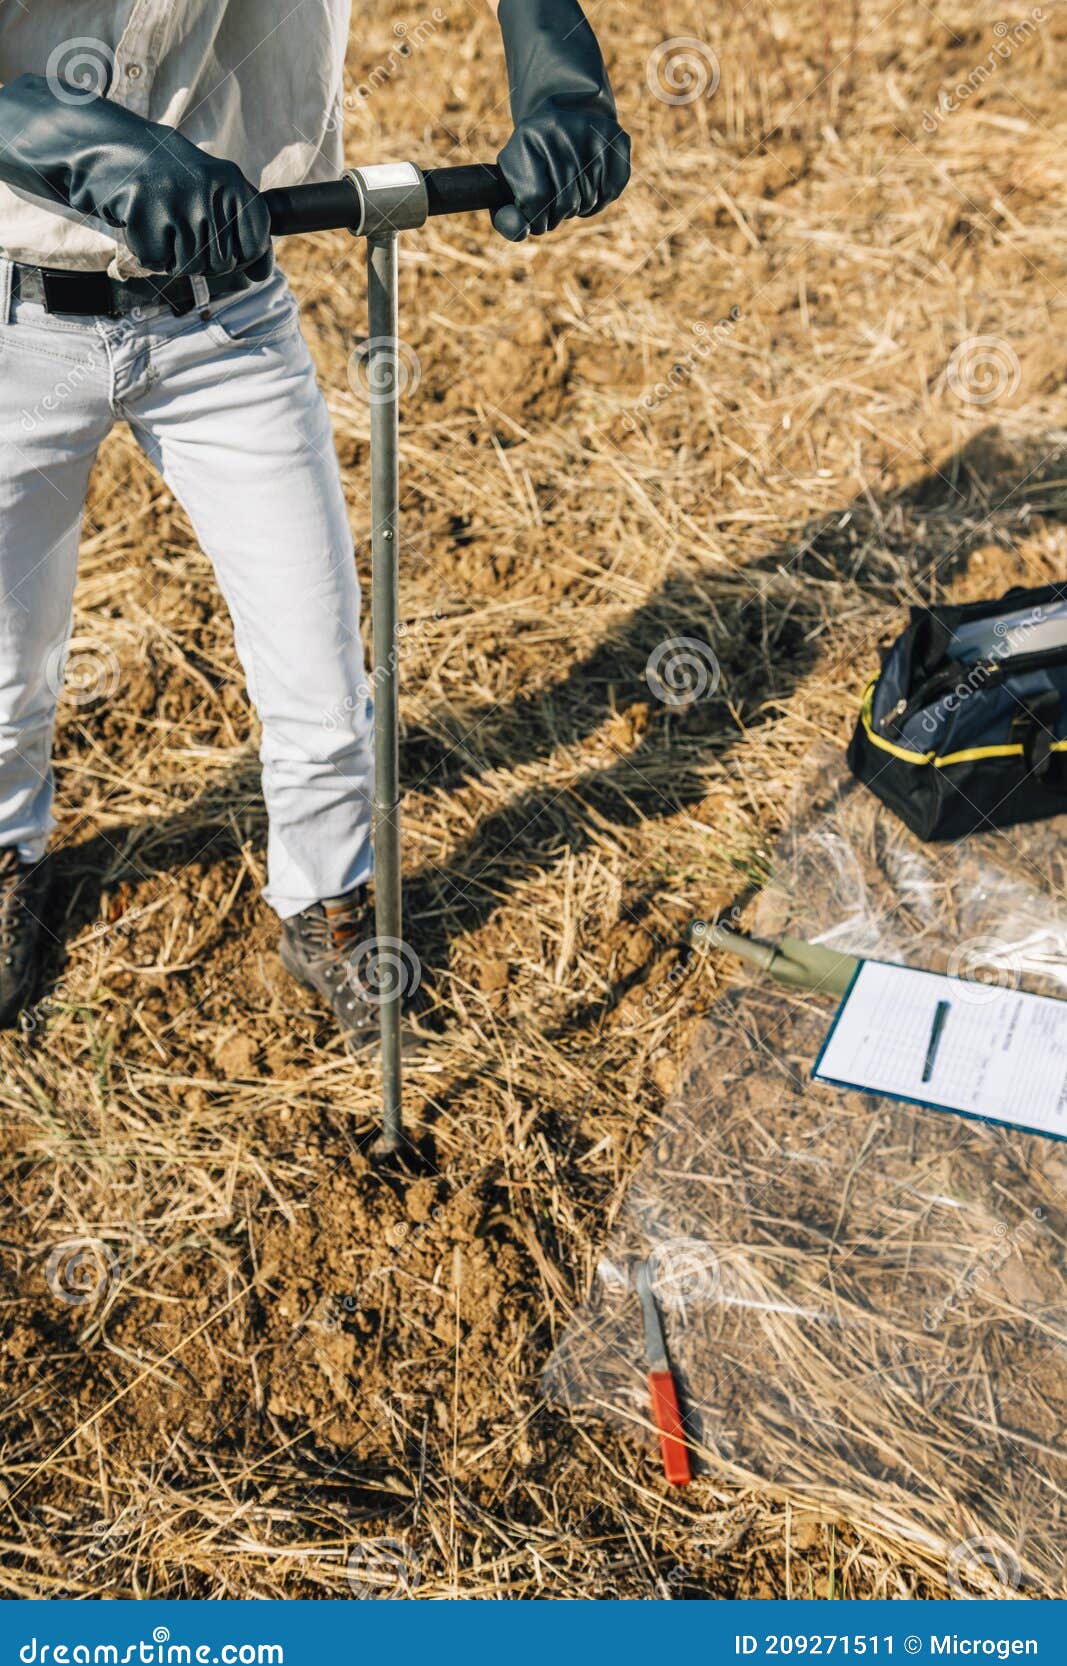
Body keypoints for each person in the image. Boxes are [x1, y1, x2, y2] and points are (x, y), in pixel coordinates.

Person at [0, 1, 629, 1038]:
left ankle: (326, 896)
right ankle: (10, 851)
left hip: (227, 310)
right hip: (20, 305)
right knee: (9, 658)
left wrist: (559, 77)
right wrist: (87, 146)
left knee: (321, 667)